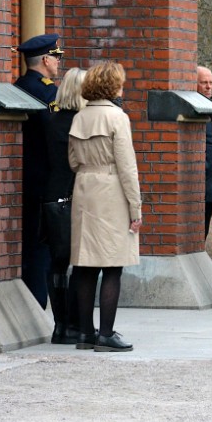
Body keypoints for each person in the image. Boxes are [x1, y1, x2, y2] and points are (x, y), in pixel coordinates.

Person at [68, 61, 141, 352]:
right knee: (112, 265)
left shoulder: (79, 117)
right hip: (111, 190)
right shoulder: (117, 117)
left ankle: (85, 333)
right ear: (112, 86)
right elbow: (127, 167)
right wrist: (135, 208)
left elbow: (73, 161)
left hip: (84, 187)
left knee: (85, 265)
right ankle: (107, 334)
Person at [14, 33, 64, 308]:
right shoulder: (47, 92)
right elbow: (55, 136)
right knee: (43, 248)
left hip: (23, 178)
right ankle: (37, 305)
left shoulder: (19, 86)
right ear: (45, 60)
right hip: (46, 181)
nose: (58, 62)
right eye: (56, 57)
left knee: (29, 244)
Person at [43, 67, 87, 344]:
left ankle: (60, 325)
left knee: (58, 263)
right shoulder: (81, 123)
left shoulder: (53, 120)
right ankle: (72, 323)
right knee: (79, 263)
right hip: (73, 196)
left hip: (52, 195)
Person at [197, 66, 212, 237]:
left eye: (211, 82)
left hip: (211, 184)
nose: (208, 86)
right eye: (204, 82)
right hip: (197, 179)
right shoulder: (193, 109)